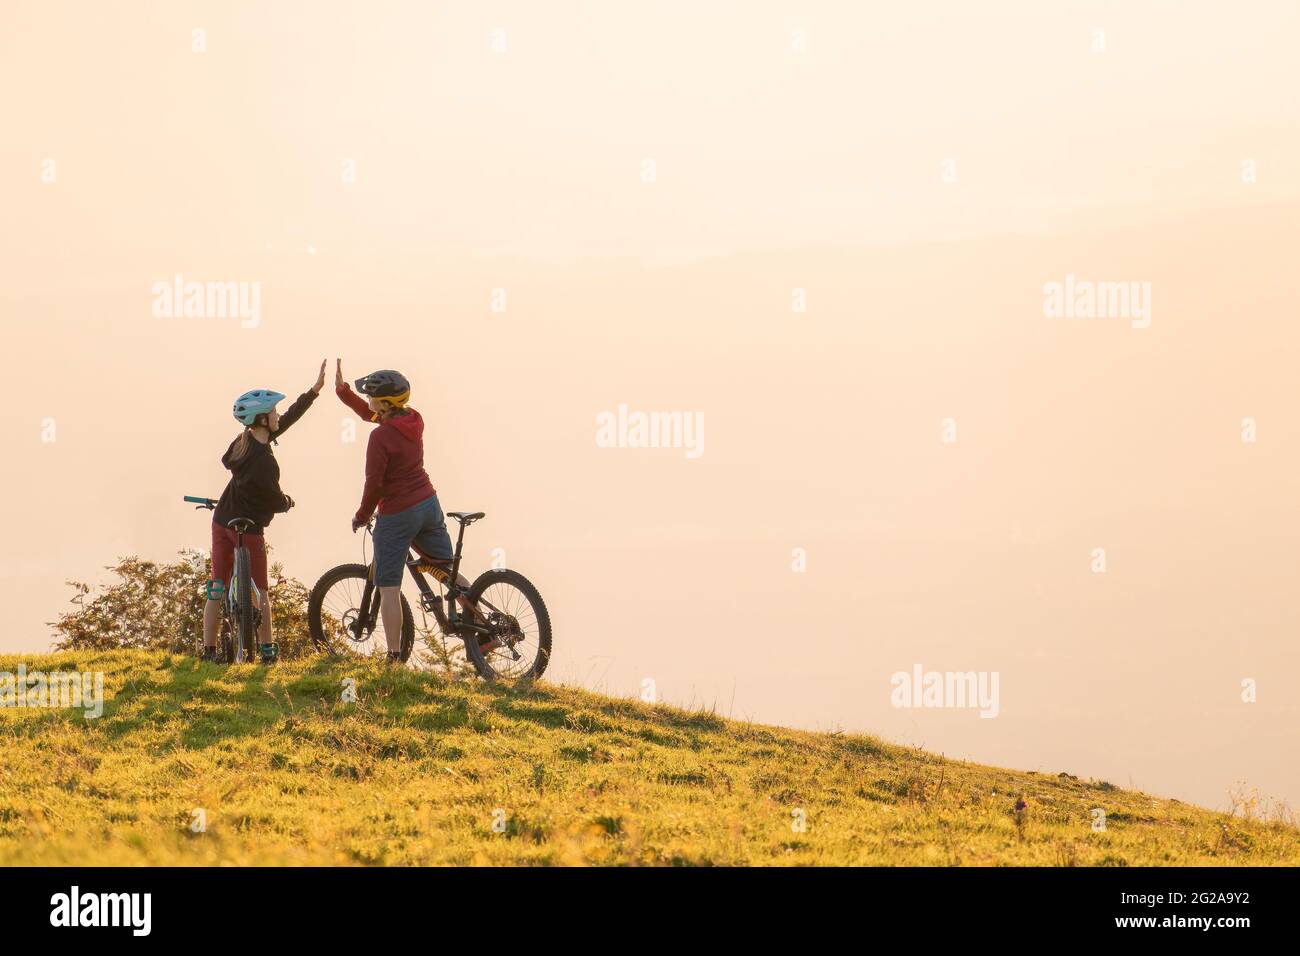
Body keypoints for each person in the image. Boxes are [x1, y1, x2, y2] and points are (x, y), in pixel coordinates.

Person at [335, 360, 479, 663]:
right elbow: (370, 414)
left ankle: (395, 658)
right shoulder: (414, 419)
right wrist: (345, 393)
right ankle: (484, 624)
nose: (369, 400)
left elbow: (373, 485)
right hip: (428, 504)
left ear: (384, 403)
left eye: (372, 395)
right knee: (446, 571)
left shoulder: (380, 437)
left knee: (388, 588)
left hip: (398, 513)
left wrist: (362, 516)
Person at [204, 361, 326, 662]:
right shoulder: (266, 463)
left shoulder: (244, 443)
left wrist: (313, 392)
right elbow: (273, 500)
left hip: (222, 521)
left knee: (216, 587)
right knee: (260, 590)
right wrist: (287, 501)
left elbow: (289, 419)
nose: (277, 416)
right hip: (250, 529)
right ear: (262, 420)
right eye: (272, 413)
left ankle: (208, 652)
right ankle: (268, 650)